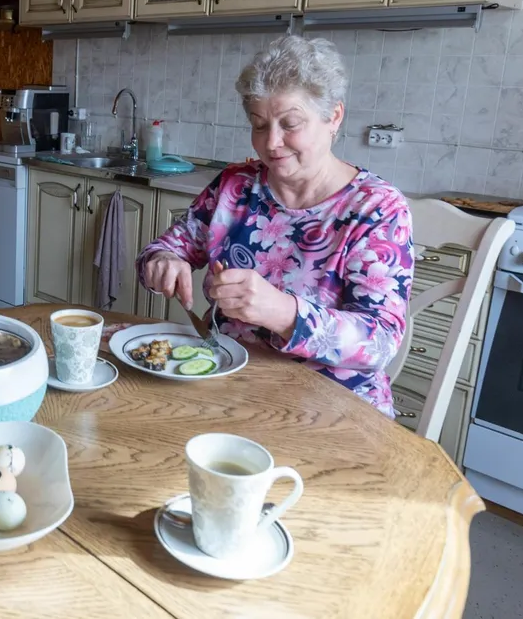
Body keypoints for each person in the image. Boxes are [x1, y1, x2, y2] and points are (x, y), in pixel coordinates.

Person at [137, 35, 413, 417]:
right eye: (259, 124)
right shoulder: (236, 185)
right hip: (226, 380)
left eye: (291, 123)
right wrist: (165, 261)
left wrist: (283, 312)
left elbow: (381, 340)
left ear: (334, 116)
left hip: (331, 407)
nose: (272, 142)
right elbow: (167, 248)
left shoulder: (376, 208)